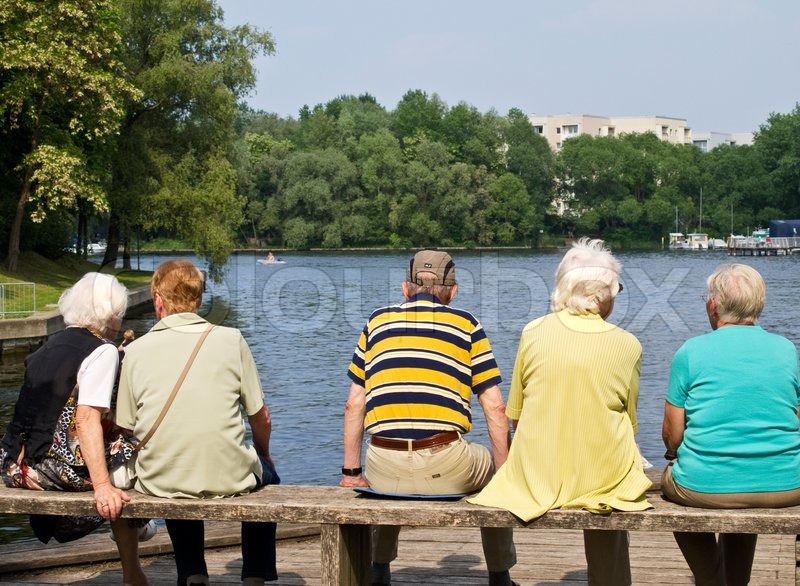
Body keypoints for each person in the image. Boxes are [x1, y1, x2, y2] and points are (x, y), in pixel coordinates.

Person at [468, 237, 652, 586]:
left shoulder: (533, 332)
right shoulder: (629, 344)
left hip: (538, 476)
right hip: (602, 478)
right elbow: (628, 423)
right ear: (603, 295)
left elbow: (517, 415)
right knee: (611, 468)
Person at [341, 250, 517, 586]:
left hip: (382, 463)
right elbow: (494, 407)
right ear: (453, 291)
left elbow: (354, 405)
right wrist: (507, 473)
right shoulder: (467, 325)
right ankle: (499, 574)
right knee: (496, 471)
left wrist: (351, 473)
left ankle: (379, 568)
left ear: (405, 289)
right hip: (446, 462)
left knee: (390, 472)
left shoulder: (376, 322)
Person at [115, 259, 279, 586]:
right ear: (199, 301)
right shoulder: (231, 339)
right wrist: (263, 453)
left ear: (158, 301)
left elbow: (127, 426)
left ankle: (192, 574)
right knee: (268, 479)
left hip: (159, 478)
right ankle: (254, 579)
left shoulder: (135, 351)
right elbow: (261, 417)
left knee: (176, 468)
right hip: (230, 476)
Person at [0, 273, 149, 586]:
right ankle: (135, 558)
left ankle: (138, 540)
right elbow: (85, 420)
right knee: (137, 452)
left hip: (14, 464)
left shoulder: (46, 347)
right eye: (119, 314)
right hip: (54, 471)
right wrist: (101, 487)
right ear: (109, 314)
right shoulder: (103, 351)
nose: (121, 321)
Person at [661, 263, 800, 586]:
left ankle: (712, 580)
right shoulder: (786, 349)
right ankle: (735, 582)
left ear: (713, 306)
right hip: (787, 484)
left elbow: (672, 436)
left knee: (671, 489)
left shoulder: (691, 352)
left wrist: (677, 452)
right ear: (759, 305)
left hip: (704, 487)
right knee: (746, 476)